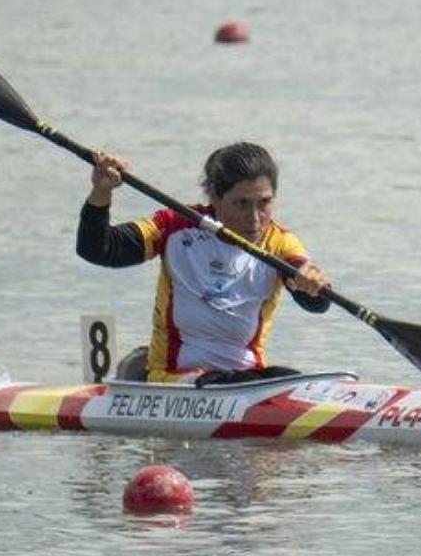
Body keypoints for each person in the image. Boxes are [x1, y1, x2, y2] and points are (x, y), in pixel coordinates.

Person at [76, 141, 330, 385]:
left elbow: (316, 302)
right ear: (216, 198)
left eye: (264, 203)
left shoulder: (280, 242)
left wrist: (312, 284)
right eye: (242, 203)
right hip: (175, 377)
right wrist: (102, 191)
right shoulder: (175, 225)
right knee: (234, 383)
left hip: (248, 378)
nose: (254, 218)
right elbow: (98, 249)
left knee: (294, 378)